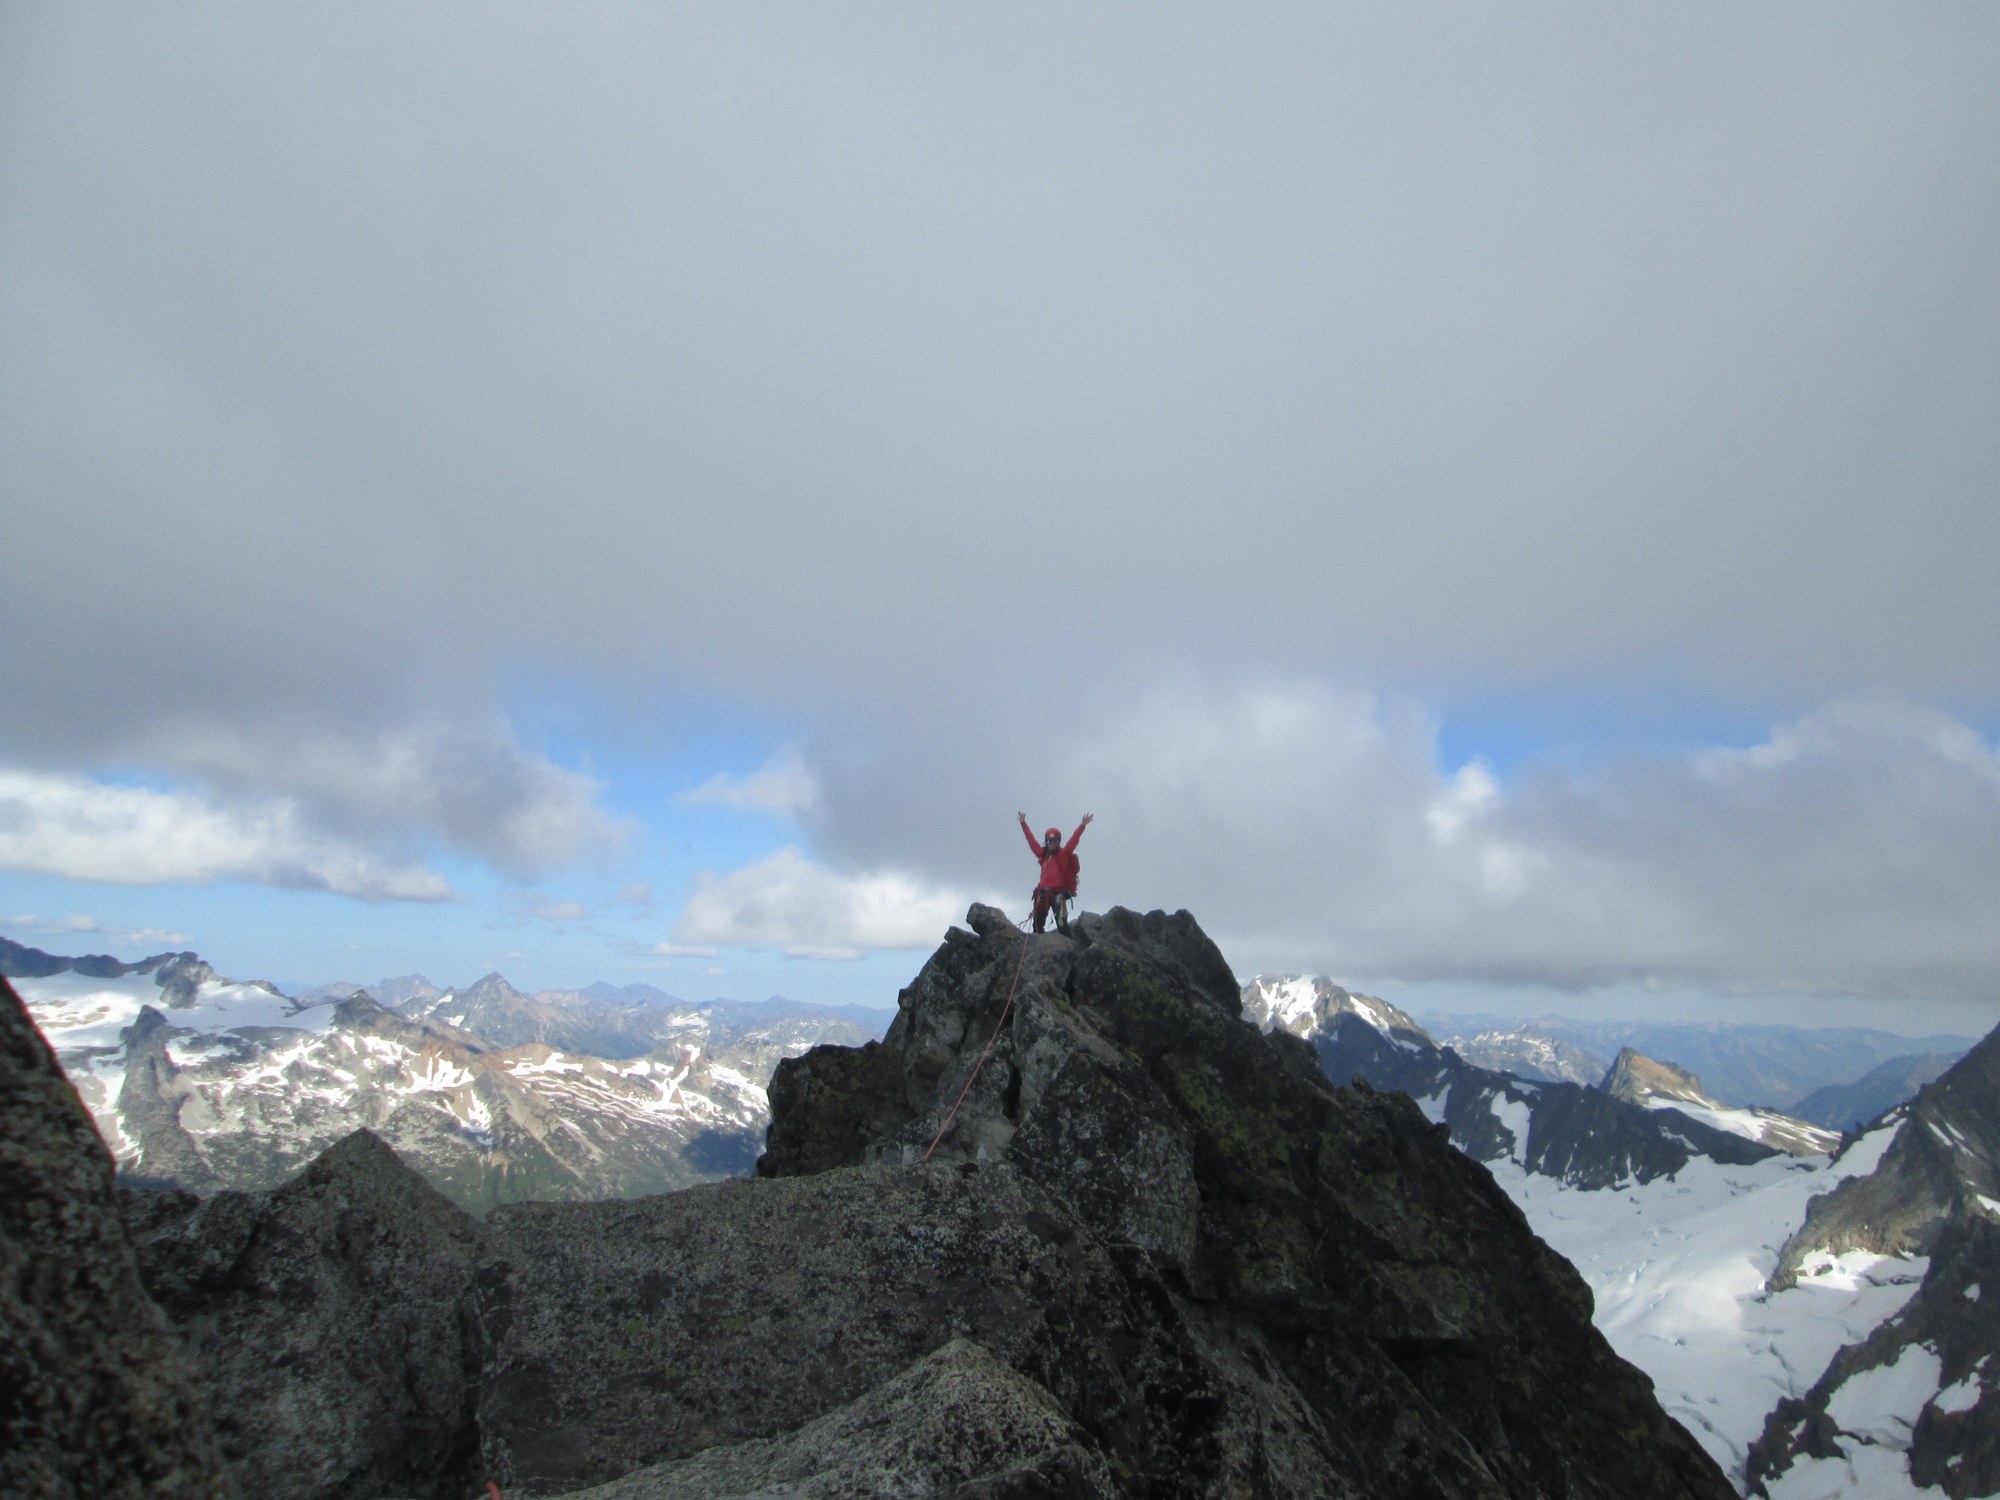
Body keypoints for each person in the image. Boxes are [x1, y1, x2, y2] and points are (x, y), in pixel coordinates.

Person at [1018, 811, 1092, 934]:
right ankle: (1039, 940)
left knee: (1061, 923)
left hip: (1058, 893)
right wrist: (1023, 824)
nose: (1052, 844)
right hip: (1042, 893)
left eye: (1055, 841)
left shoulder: (1063, 854)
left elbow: (1073, 841)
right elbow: (1031, 842)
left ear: (1058, 841)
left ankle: (1067, 941)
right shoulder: (1042, 854)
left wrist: (1082, 826)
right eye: (1049, 841)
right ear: (1046, 842)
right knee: (1038, 923)